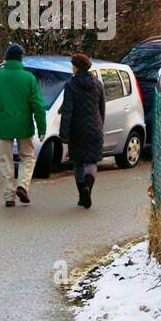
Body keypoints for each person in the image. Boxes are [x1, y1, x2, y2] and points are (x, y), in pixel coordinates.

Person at [0, 42, 47, 208]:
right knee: (28, 157)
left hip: (4, 126)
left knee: (5, 160)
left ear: (6, 58)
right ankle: (22, 185)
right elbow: (37, 104)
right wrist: (41, 126)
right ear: (20, 59)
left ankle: (9, 196)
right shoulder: (29, 78)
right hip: (24, 125)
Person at [59, 53, 105, 209]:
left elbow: (67, 110)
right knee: (91, 161)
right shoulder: (98, 84)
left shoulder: (70, 85)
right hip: (95, 128)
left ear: (77, 67)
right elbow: (101, 108)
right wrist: (100, 126)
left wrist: (63, 132)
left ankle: (82, 194)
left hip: (77, 129)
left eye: (73, 65)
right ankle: (88, 188)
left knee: (79, 162)